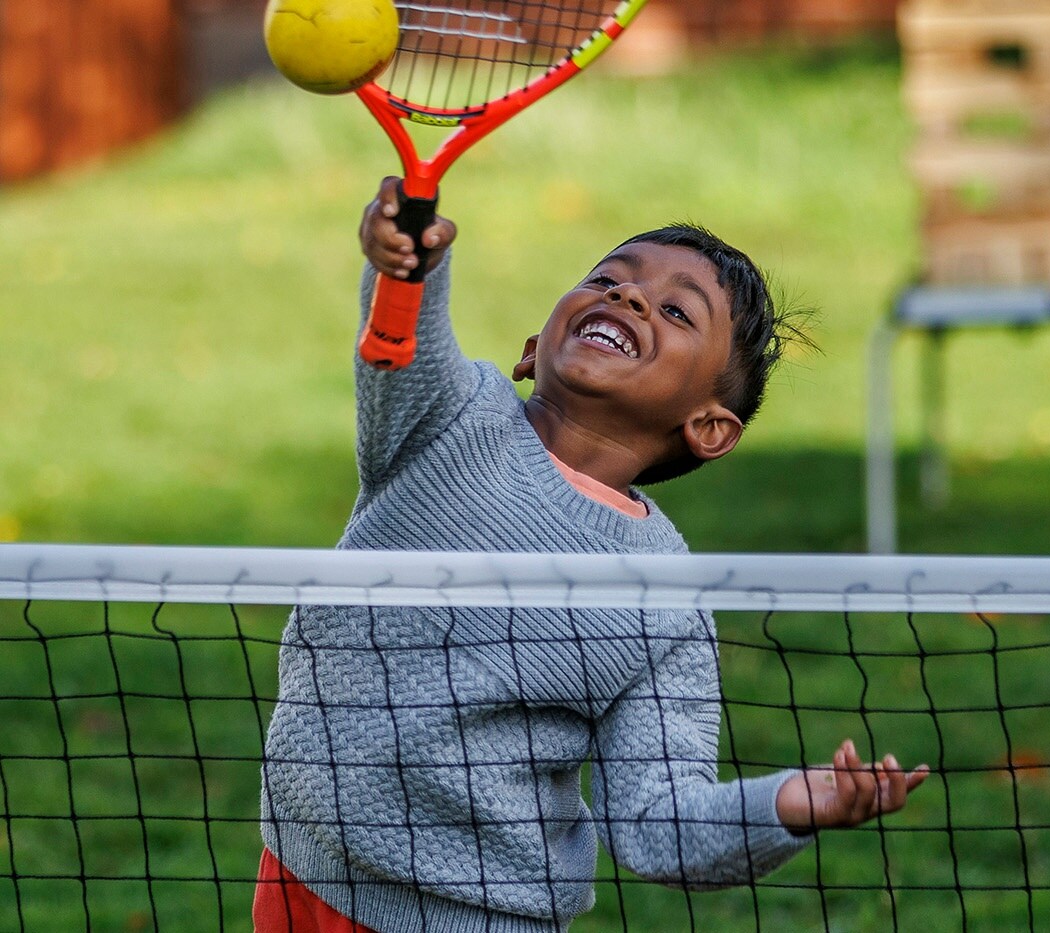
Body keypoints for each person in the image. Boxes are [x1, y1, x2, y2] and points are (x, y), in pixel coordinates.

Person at [255, 177, 929, 933]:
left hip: (476, 916)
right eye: (607, 279)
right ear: (534, 346)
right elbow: (399, 346)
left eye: (677, 311)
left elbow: (656, 821)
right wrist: (406, 264)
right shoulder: (448, 419)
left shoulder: (661, 597)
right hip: (301, 870)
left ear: (710, 427)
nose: (630, 298)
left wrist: (786, 806)